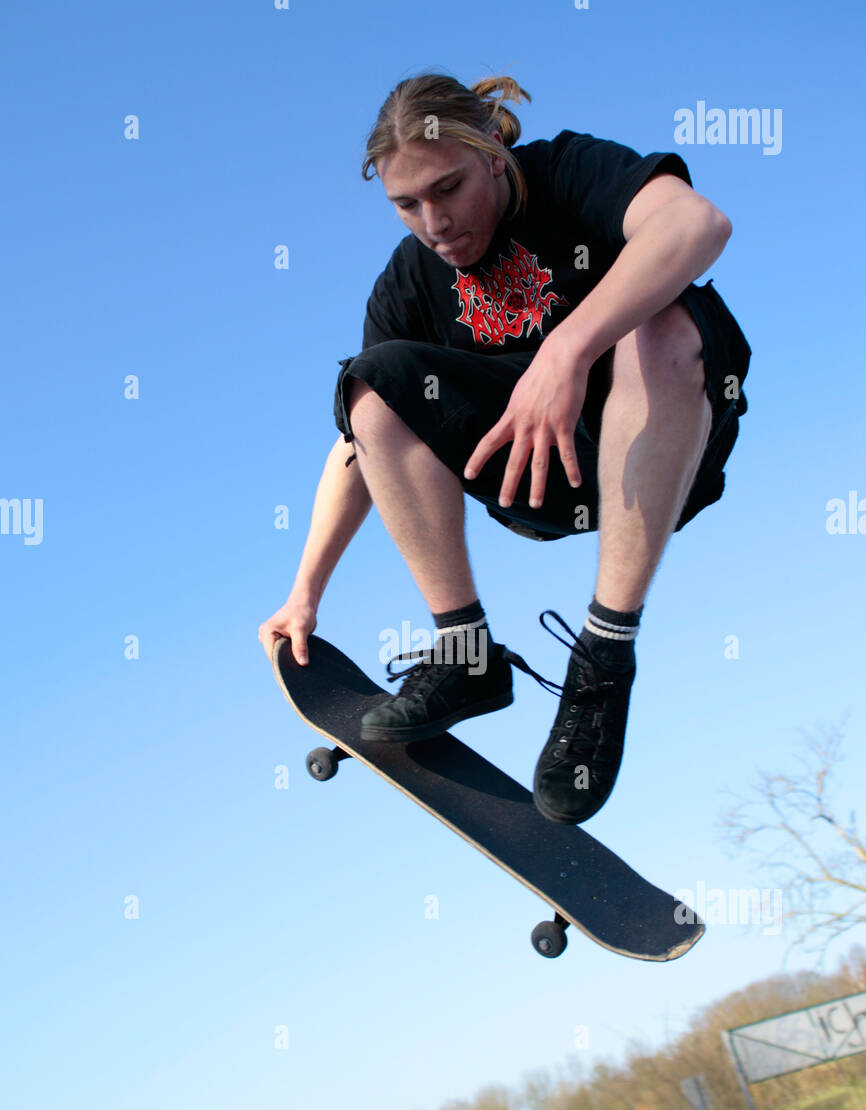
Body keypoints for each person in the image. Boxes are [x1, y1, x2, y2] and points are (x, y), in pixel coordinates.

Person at [258, 73, 751, 825]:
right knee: (370, 382)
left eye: (447, 188)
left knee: (664, 323)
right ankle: (464, 650)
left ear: (492, 151)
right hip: (542, 480)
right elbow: (361, 442)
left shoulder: (567, 172)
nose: (434, 222)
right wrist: (304, 593)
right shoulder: (411, 281)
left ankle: (603, 658)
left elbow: (699, 225)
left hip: (670, 437)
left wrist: (569, 350)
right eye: (406, 204)